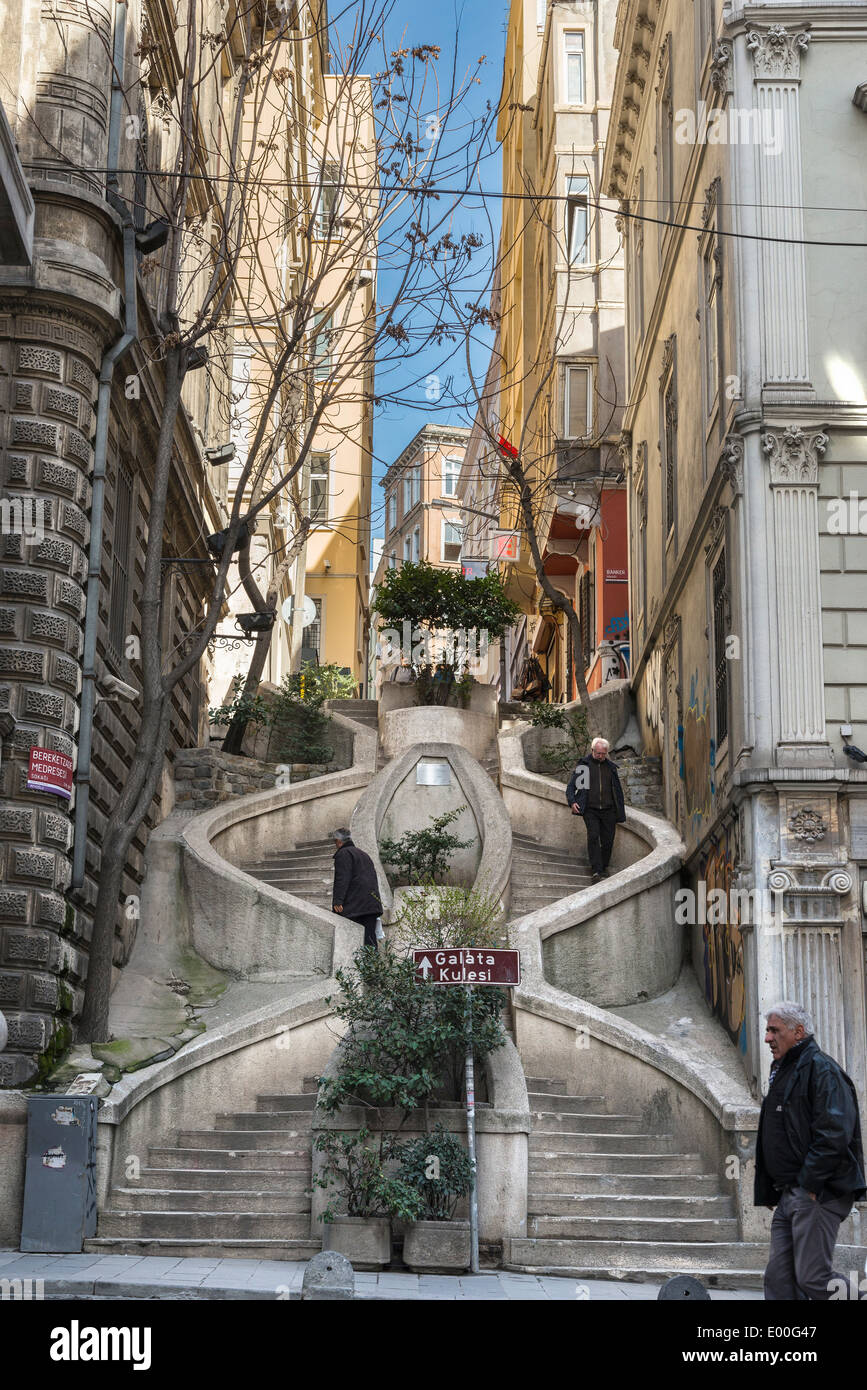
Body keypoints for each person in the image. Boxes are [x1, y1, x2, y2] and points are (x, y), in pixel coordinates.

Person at [755, 1001, 865, 1300]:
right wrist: (771, 1187)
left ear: (798, 1032)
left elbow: (834, 1134)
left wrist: (810, 1185)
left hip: (817, 1192)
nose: (767, 1039)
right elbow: (776, 1131)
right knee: (779, 1281)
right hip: (790, 1193)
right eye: (767, 1031)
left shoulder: (822, 1070)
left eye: (774, 1031)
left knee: (814, 1279)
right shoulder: (784, 1070)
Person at [565, 736, 626, 882]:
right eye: (598, 753)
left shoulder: (610, 768)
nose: (600, 756)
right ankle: (596, 871)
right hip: (590, 809)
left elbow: (617, 791)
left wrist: (619, 809)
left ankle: (603, 867)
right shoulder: (585, 766)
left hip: (609, 810)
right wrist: (572, 802)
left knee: (608, 840)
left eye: (603, 754)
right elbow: (572, 787)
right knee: (593, 837)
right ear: (592, 750)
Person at [330, 827, 383, 951]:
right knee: (369, 940)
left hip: (355, 905)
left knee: (351, 941)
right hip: (371, 904)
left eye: (335, 842)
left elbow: (342, 879)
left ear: (338, 841)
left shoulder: (343, 854)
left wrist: (338, 901)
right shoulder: (363, 854)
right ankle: (372, 967)